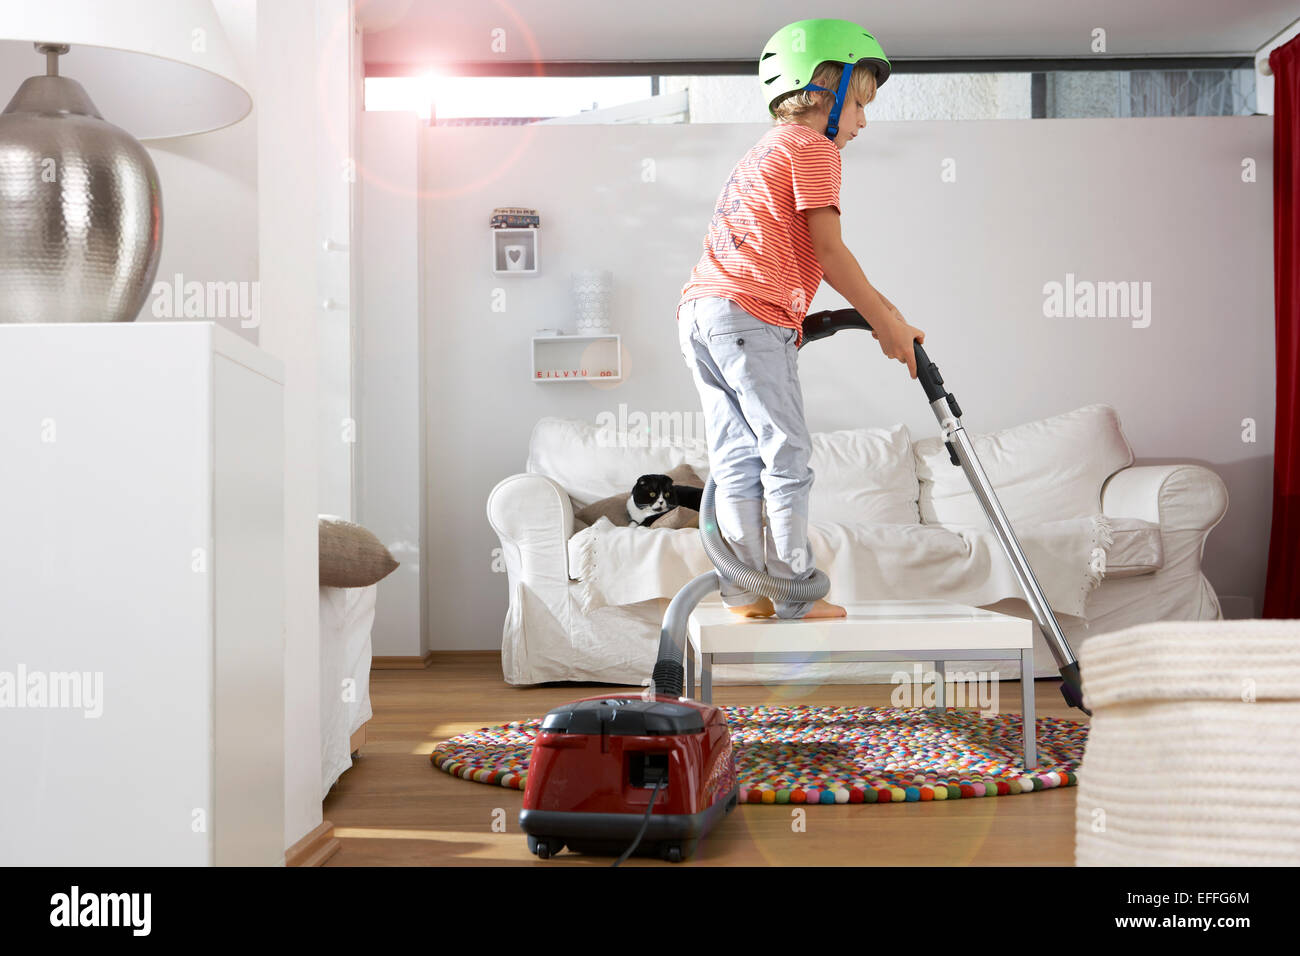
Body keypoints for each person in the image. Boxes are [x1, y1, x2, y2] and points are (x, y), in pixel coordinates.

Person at [677, 18, 926, 620]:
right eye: (861, 104)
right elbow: (829, 251)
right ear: (830, 88)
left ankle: (745, 591)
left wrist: (887, 315)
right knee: (784, 453)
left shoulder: (762, 150)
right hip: (750, 316)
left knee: (736, 457)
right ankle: (794, 593)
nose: (863, 123)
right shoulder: (814, 149)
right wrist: (888, 324)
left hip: (701, 312)